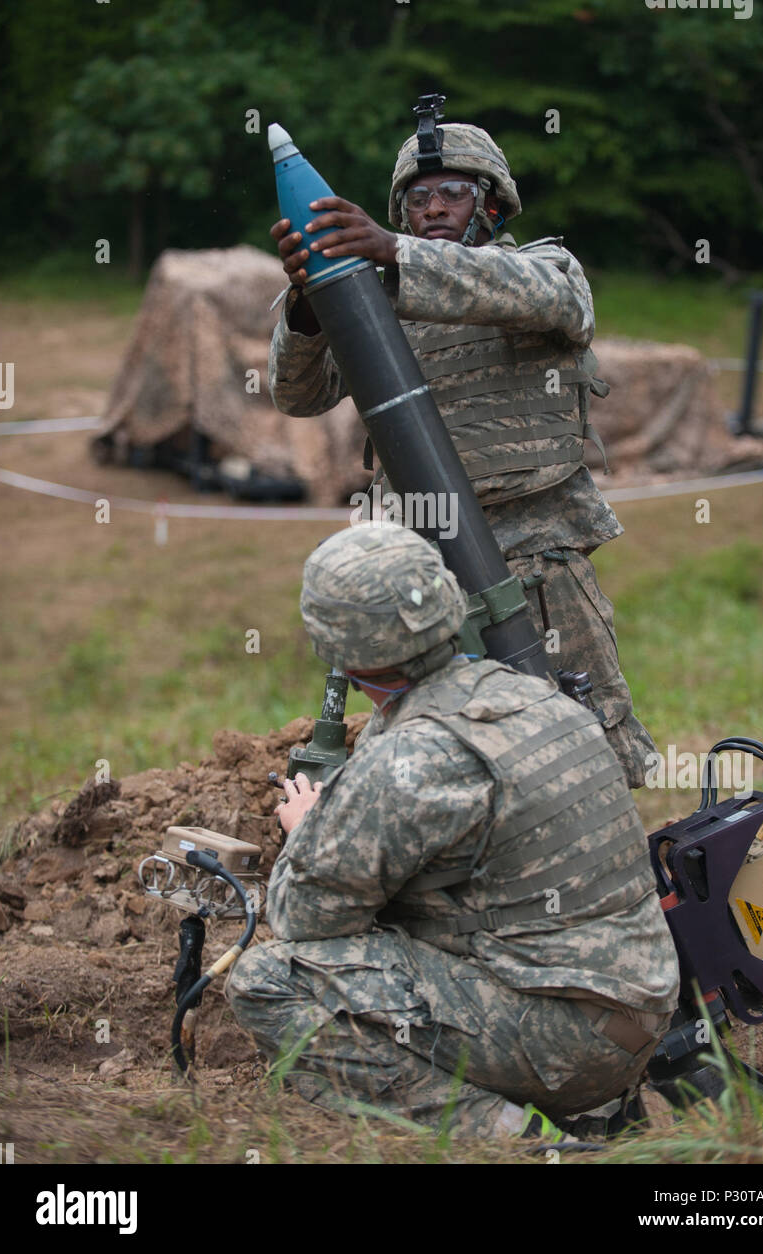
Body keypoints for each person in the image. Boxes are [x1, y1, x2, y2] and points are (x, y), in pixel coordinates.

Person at [227, 524, 679, 1140]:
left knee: (266, 979)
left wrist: (307, 830)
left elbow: (305, 920)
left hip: (564, 1045)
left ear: (336, 644)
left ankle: (516, 1139)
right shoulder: (541, 699)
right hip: (642, 1012)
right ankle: (584, 1112)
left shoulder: (410, 758)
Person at [267, 111, 655, 788]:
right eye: (418, 199)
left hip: (533, 552)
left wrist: (393, 253)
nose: (433, 207)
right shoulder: (374, 299)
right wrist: (306, 306)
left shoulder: (539, 267)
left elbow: (545, 298)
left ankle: (611, 873)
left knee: (585, 728)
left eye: (453, 192)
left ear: (492, 203)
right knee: (438, 736)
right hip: (422, 562)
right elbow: (298, 396)